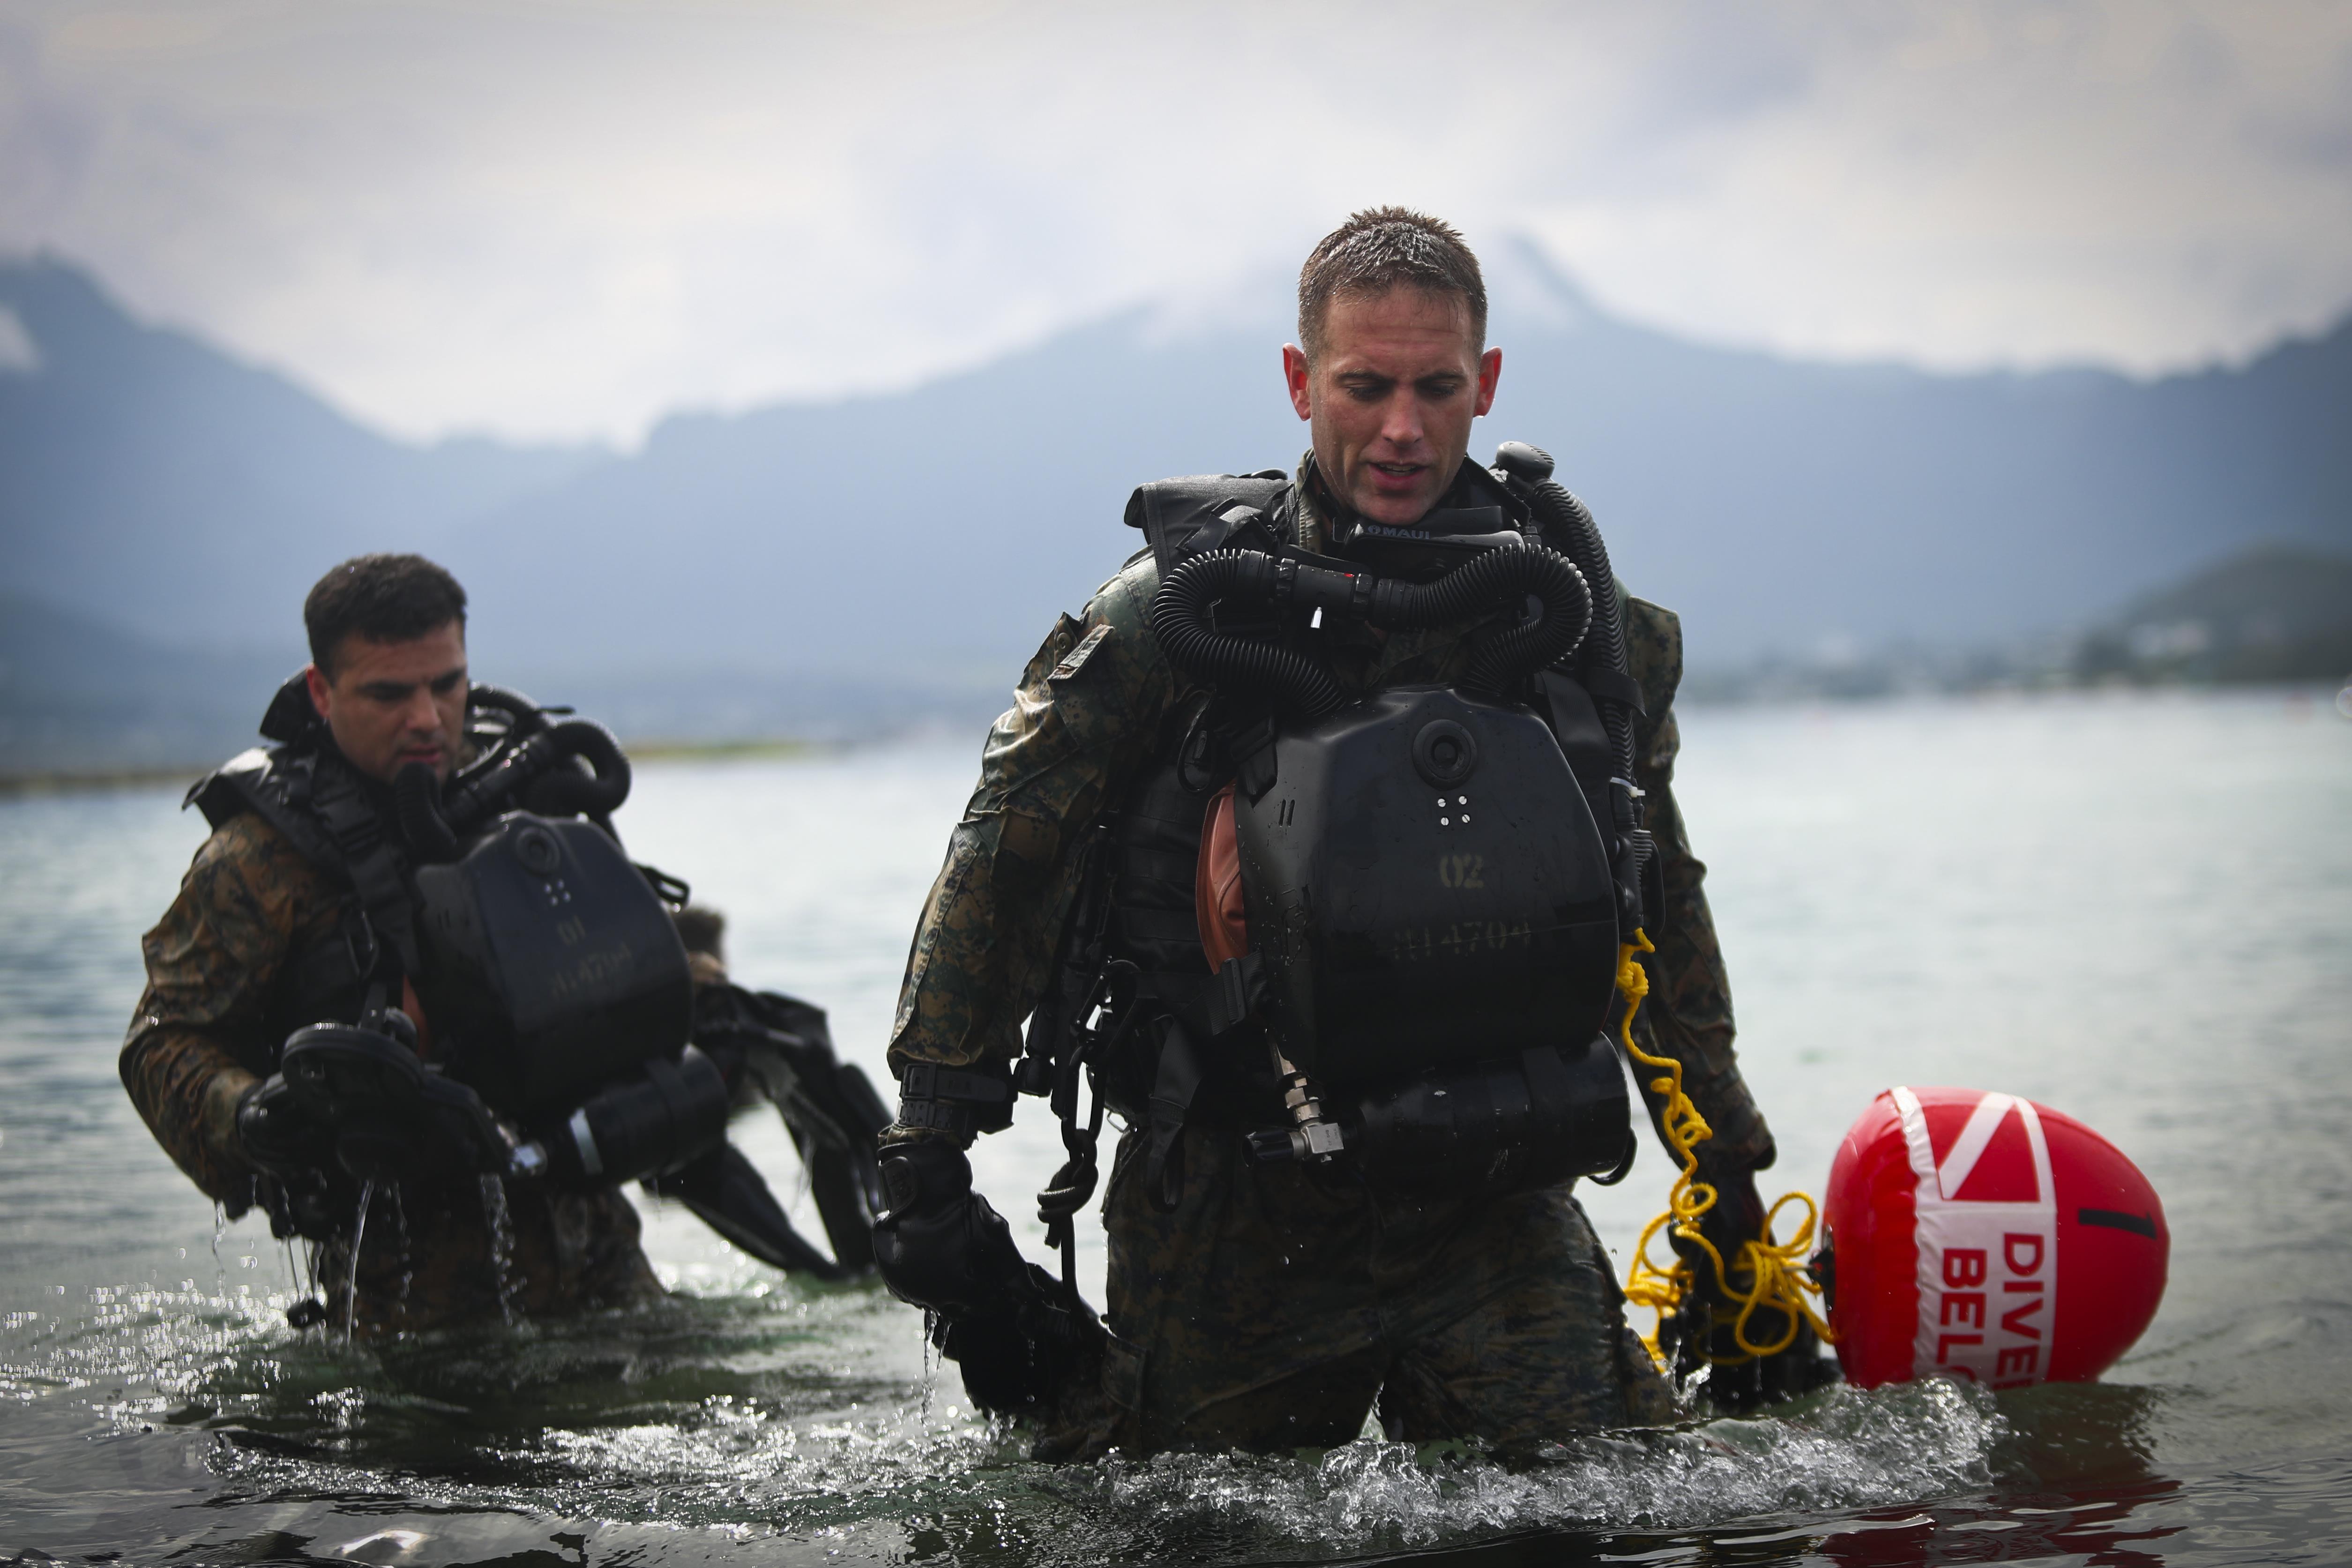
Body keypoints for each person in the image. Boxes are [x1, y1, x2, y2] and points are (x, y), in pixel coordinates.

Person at [870, 209, 1829, 1460]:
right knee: (1187, 1536)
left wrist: (1727, 1180)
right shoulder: (1179, 618)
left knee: (1619, 1507)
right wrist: (929, 1153)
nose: (1400, 427)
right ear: (1297, 380)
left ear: (1485, 385)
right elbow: (1005, 860)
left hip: (1493, 1195)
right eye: (1362, 386)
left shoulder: (1574, 625)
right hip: (1232, 1205)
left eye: (1436, 389)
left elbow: (1656, 904)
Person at [122, 553, 886, 1336]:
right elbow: (162, 1042)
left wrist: (695, 998)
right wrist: (250, 1115)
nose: (426, 717)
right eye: (389, 693)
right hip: (405, 1307)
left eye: (446, 684)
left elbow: (618, 961)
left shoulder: (526, 797)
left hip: (603, 1260)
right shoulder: (257, 863)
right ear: (321, 692)